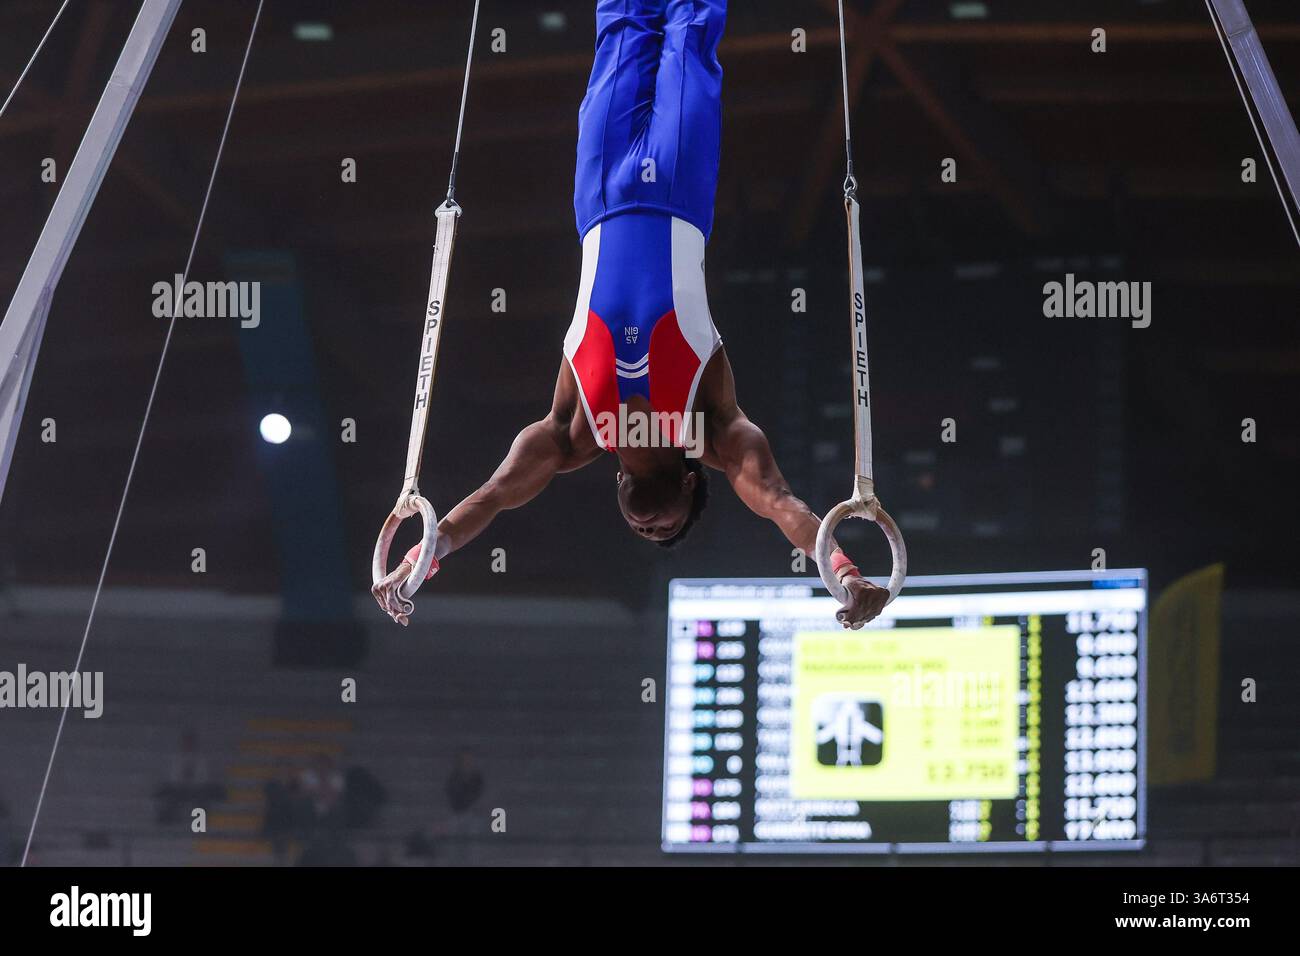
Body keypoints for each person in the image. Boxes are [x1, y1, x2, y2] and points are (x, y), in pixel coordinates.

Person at [373, 0, 887, 628]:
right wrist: (844, 574)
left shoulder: (573, 436)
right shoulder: (714, 433)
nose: (649, 525)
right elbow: (781, 504)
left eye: (642, 532)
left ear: (618, 494)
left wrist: (420, 558)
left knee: (622, 29)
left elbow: (494, 497)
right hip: (678, 190)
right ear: (693, 489)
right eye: (666, 528)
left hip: (598, 197)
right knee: (690, 34)